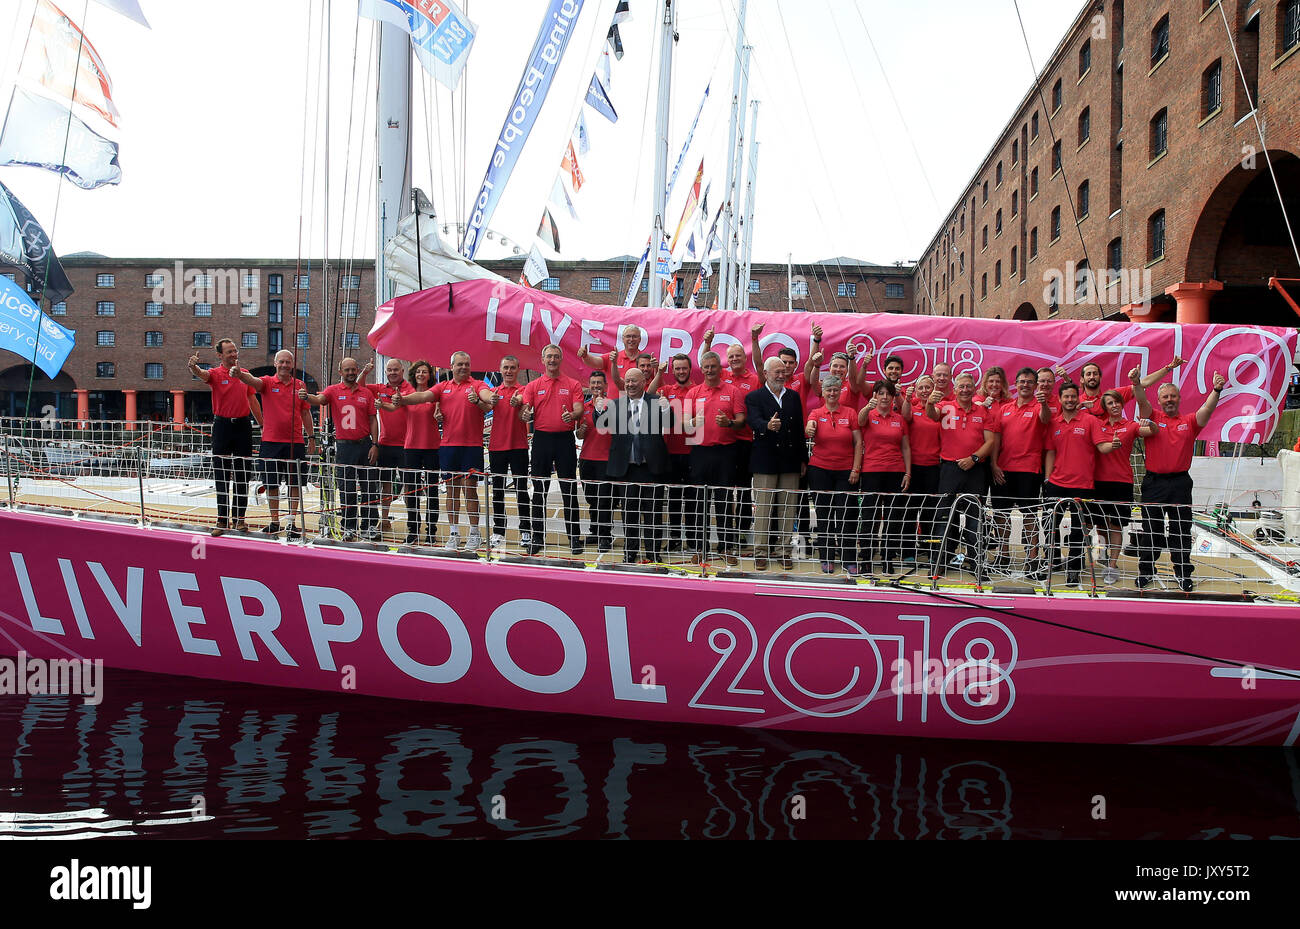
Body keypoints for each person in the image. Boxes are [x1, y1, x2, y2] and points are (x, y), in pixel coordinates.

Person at [1130, 366, 1226, 591]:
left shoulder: (1189, 421)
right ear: (1160, 400)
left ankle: (1182, 572)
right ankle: (1146, 571)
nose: (1169, 399)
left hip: (1180, 483)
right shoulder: (1151, 417)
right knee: (1151, 529)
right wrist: (1136, 383)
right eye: (1165, 396)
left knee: (1180, 530)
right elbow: (1142, 401)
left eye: (1173, 396)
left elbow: (1207, 410)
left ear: (1180, 399)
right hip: (1154, 483)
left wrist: (1217, 389)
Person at [393, 351, 492, 551]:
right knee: (452, 492)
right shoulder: (443, 387)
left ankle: (475, 532)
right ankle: (454, 532)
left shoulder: (477, 385)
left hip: (471, 446)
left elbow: (487, 399)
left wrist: (483, 400)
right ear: (452, 366)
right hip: (448, 447)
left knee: (470, 491)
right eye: (459, 364)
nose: (463, 367)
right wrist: (402, 400)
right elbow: (422, 395)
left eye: (466, 364)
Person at [1040, 380, 1118, 585]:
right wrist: (1047, 479)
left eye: (1073, 396)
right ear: (1060, 399)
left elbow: (1102, 448)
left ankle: (1073, 568)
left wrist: (1114, 445)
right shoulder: (1054, 423)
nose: (1070, 400)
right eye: (1066, 396)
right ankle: (1052, 561)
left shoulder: (1090, 421)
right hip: (1056, 483)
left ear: (1078, 398)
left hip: (1083, 485)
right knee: (1050, 526)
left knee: (1078, 530)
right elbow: (1050, 452)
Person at [229, 351, 313, 537]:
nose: (284, 365)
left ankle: (291, 522)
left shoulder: (299, 385)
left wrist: (312, 437)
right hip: (271, 442)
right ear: (275, 363)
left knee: (294, 484)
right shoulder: (267, 382)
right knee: (271, 483)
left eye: (288, 362)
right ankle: (275, 521)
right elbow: (252, 381)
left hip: (295, 442)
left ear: (292, 364)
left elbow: (306, 412)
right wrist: (240, 374)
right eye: (281, 362)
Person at [514, 344, 585, 555]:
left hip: (564, 440)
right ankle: (538, 537)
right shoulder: (534, 385)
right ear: (543, 361)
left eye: (556, 356)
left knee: (569, 490)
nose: (552, 360)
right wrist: (524, 415)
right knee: (539, 491)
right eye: (549, 357)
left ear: (560, 360)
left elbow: (579, 408)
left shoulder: (572, 384)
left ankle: (574, 537)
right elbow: (525, 409)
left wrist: (571, 415)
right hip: (541, 440)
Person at [300, 358, 380, 541]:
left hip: (365, 445)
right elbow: (319, 399)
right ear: (340, 372)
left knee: (369, 488)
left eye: (353, 369)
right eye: (347, 370)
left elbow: (372, 419)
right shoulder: (333, 391)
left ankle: (369, 526)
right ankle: (349, 527)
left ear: (357, 370)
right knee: (347, 489)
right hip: (344, 447)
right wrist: (306, 397)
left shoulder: (366, 393)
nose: (351, 372)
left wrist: (375, 444)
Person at [188, 340, 263, 536]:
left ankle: (239, 518)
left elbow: (252, 399)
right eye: (229, 351)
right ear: (220, 356)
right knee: (221, 474)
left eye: (235, 350)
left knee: (243, 474)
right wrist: (193, 367)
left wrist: (263, 424)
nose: (233, 354)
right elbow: (202, 375)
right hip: (222, 426)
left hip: (243, 426)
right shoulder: (214, 373)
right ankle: (222, 520)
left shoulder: (244, 374)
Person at [601, 367, 674, 563]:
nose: (631, 384)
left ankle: (653, 553)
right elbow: (601, 423)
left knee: (653, 513)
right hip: (627, 470)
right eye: (628, 382)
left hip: (652, 469)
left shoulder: (656, 402)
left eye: (634, 381)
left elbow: (671, 423)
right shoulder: (616, 404)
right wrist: (599, 408)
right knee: (629, 513)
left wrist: (667, 408)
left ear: (643, 383)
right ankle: (630, 553)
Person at [926, 372, 997, 570]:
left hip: (975, 469)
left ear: (974, 389)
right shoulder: (945, 407)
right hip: (949, 469)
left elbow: (990, 441)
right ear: (955, 389)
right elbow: (932, 415)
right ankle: (940, 559)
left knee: (975, 517)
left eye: (968, 386)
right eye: (961, 386)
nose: (965, 390)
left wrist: (974, 458)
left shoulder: (983, 412)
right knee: (945, 515)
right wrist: (930, 403)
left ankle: (975, 560)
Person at [744, 356, 808, 570]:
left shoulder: (793, 397)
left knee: (788, 508)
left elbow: (799, 430)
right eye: (776, 372)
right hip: (765, 461)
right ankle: (760, 552)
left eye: (784, 371)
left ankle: (783, 551)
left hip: (790, 461)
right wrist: (766, 425)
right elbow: (752, 420)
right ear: (766, 374)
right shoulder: (754, 396)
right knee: (763, 509)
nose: (781, 375)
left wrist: (802, 459)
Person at [685, 351, 747, 565]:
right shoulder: (693, 392)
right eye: (706, 367)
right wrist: (693, 422)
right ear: (701, 369)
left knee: (724, 502)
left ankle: (725, 547)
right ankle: (701, 548)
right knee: (700, 504)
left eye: (713, 366)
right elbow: (684, 424)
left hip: (726, 453)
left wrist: (729, 423)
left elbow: (741, 420)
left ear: (720, 369)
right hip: (700, 453)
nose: (710, 370)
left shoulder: (733, 391)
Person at [706, 326, 764, 553]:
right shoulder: (723, 377)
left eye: (738, 356)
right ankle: (727, 533)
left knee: (744, 489)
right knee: (726, 490)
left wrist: (755, 338)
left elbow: (760, 366)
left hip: (746, 440)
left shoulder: (754, 378)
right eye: (730, 357)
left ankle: (741, 531)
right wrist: (708, 342)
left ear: (744, 357)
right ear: (726, 361)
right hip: (725, 442)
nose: (734, 359)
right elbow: (706, 363)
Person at [988, 367, 1047, 570]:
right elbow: (995, 439)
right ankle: (1003, 555)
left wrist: (1044, 403)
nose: (1025, 385)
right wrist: (994, 464)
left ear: (1035, 385)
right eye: (1022, 381)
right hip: (1003, 469)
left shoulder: (1040, 407)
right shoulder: (1004, 408)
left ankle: (1032, 557)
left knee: (1029, 516)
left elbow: (1046, 418)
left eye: (1030, 382)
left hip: (1029, 470)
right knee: (1000, 514)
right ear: (1016, 383)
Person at [805, 375, 863, 574]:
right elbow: (809, 427)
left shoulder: (851, 413)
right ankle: (827, 557)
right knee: (824, 516)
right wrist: (810, 428)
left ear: (840, 392)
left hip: (846, 472)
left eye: (835, 390)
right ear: (823, 392)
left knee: (846, 515)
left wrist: (856, 468)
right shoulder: (816, 412)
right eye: (828, 390)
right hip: (820, 470)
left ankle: (848, 559)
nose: (832, 393)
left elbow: (858, 443)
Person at [857, 380, 912, 574]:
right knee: (869, 518)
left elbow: (905, 447)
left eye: (888, 393)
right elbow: (860, 421)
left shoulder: (899, 419)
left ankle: (887, 557)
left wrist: (908, 472)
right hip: (872, 470)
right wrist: (866, 407)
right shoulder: (869, 414)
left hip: (895, 471)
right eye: (880, 393)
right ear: (875, 395)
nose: (885, 397)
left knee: (892, 518)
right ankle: (866, 558)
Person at [1092, 389, 1142, 585]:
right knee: (1099, 523)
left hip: (1121, 481)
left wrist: (1151, 425)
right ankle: (1102, 554)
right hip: (1097, 481)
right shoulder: (1097, 425)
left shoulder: (1131, 425)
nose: (1114, 406)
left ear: (1122, 404)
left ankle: (1112, 565)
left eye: (1116, 402)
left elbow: (1148, 431)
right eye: (1109, 403)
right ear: (1104, 407)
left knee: (1116, 524)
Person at [484, 355, 532, 549]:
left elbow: (524, 406)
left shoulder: (523, 390)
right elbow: (484, 404)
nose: (509, 371)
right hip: (496, 447)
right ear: (500, 369)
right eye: (506, 367)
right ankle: (498, 531)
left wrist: (521, 407)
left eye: (512, 367)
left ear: (518, 369)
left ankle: (526, 530)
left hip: (518, 446)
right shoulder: (494, 392)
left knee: (521, 491)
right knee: (497, 492)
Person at [363, 358, 412, 539]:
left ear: (402, 371)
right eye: (389, 370)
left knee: (409, 486)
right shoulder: (379, 389)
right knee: (386, 485)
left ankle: (412, 522)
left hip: (406, 445)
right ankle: (384, 519)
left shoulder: (409, 389)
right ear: (386, 372)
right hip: (385, 443)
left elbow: (396, 405)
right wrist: (365, 372)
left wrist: (382, 404)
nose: (392, 372)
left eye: (396, 370)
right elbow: (360, 386)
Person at [397, 360, 441, 546]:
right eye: (418, 372)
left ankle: (431, 530)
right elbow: (393, 407)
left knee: (432, 491)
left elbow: (442, 412)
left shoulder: (435, 395)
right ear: (414, 375)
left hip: (432, 447)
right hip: (411, 446)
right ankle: (413, 529)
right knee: (411, 491)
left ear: (430, 375)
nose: (421, 375)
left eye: (425, 372)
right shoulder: (406, 393)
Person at [658, 353, 697, 552]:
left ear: (690, 369)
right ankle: (674, 538)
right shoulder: (665, 390)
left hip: (693, 452)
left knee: (692, 498)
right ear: (672, 371)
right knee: (673, 498)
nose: (681, 371)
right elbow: (647, 392)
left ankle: (692, 538)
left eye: (684, 368)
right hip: (671, 452)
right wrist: (658, 373)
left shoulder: (697, 390)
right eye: (677, 368)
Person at [903, 375, 942, 564]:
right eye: (922, 388)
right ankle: (909, 550)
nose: (925, 391)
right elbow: (905, 416)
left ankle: (928, 548)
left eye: (929, 387)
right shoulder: (911, 408)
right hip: (914, 467)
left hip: (934, 467)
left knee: (930, 512)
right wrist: (908, 400)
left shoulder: (940, 410)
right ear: (916, 390)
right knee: (910, 511)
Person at [577, 370, 614, 554]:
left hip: (606, 460)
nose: (596, 386)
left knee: (604, 500)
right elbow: (578, 434)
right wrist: (581, 431)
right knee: (591, 498)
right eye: (593, 383)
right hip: (586, 459)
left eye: (600, 383)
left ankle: (605, 535)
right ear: (589, 386)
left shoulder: (613, 406)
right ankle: (595, 530)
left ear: (606, 386)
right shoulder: (583, 407)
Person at [1077, 357, 1182, 418]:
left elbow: (1143, 384)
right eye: (1088, 374)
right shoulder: (1076, 402)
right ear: (1082, 379)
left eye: (1095, 374)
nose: (1092, 377)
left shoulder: (1111, 396)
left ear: (1100, 377)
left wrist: (1169, 367)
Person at [578, 325, 643, 399]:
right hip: (613, 406)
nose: (631, 339)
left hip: (639, 404)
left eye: (634, 336)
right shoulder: (613, 356)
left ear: (640, 339)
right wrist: (585, 356)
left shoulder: (645, 361)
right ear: (623, 339)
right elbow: (594, 362)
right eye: (628, 336)